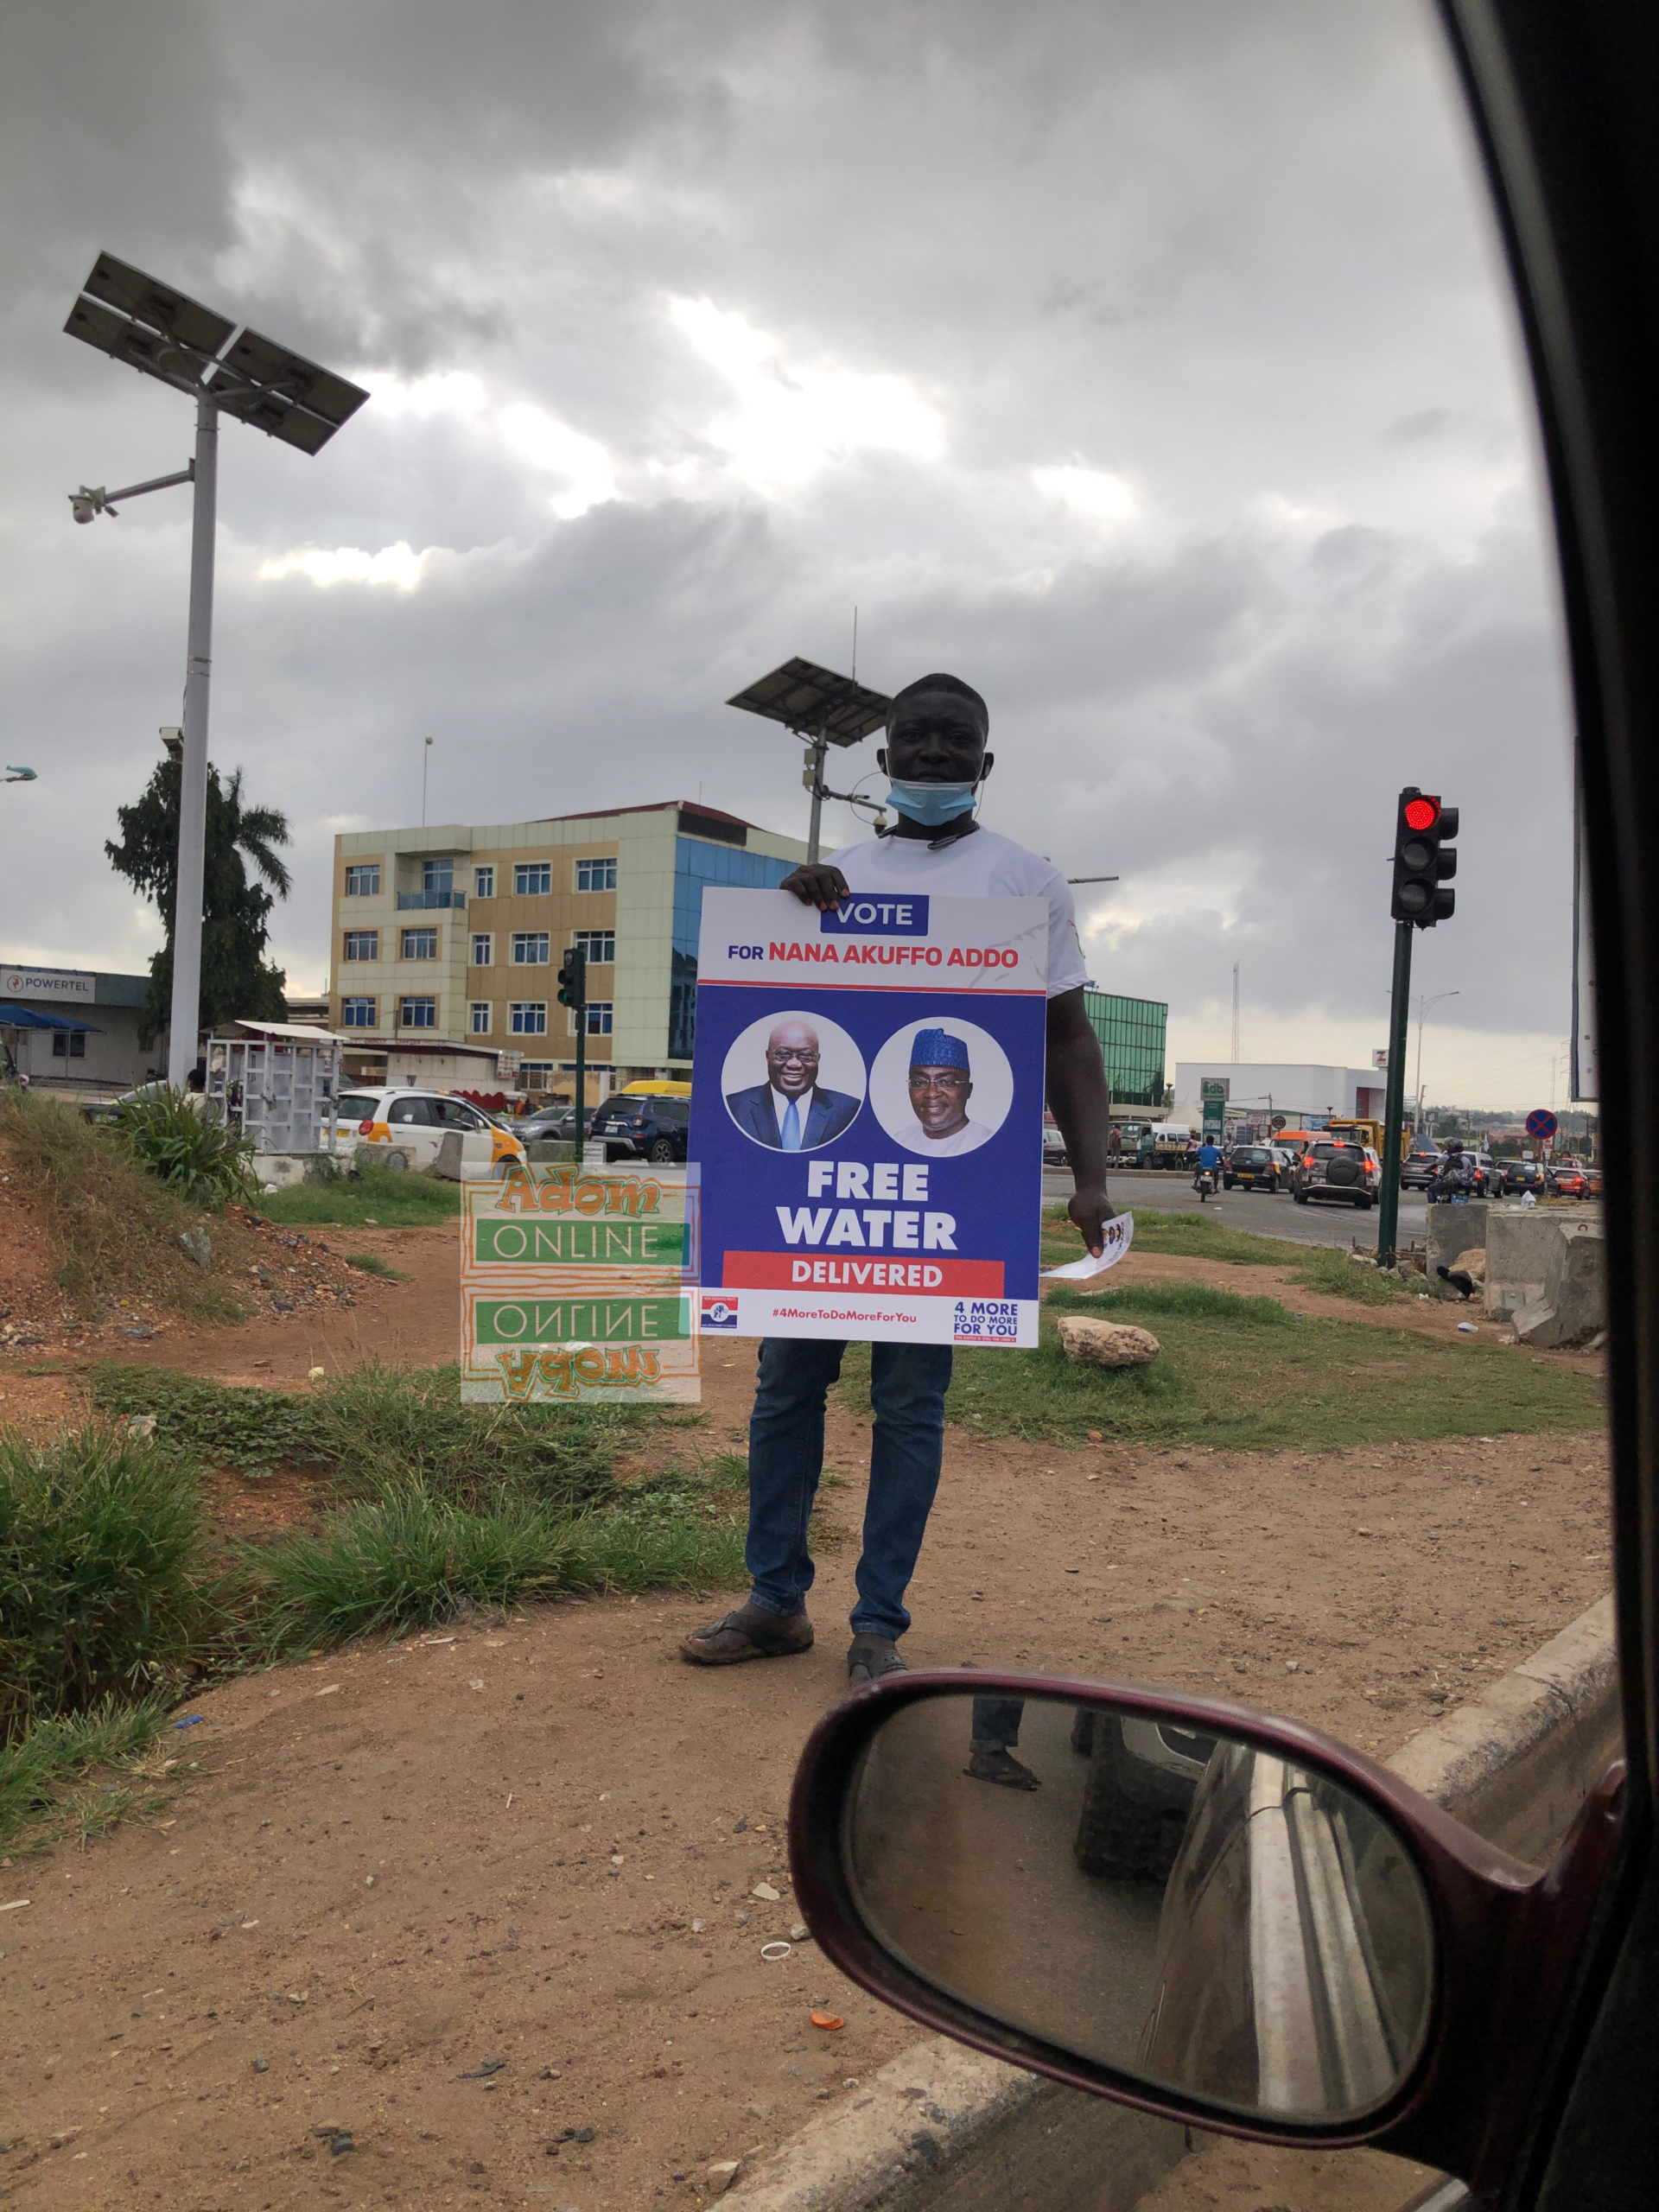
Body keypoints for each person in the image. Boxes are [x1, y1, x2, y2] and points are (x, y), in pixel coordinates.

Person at [682, 671, 1115, 1687]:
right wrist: (790, 914)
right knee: (786, 1391)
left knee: (910, 1407)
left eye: (951, 741)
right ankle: (775, 1601)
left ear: (984, 762)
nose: (929, 755)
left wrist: (1090, 1180)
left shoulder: (1026, 881)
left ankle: (878, 1626)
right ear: (881, 760)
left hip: (944, 1210)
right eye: (911, 739)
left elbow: (1067, 1038)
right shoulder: (836, 872)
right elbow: (779, 993)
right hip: (821, 1209)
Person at [725, 1016, 861, 1150]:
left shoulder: (848, 1110)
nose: (794, 1064)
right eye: (783, 1055)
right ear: (768, 1057)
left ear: (818, 1059)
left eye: (806, 1056)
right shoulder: (735, 1106)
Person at [899, 1027, 995, 1156]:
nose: (931, 1093)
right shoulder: (901, 1140)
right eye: (919, 1083)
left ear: (968, 1090)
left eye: (946, 1082)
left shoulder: (989, 1143)